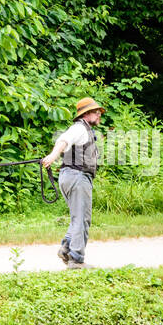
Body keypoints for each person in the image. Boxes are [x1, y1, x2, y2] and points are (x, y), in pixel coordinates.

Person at [42, 97, 105, 269]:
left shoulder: (85, 130)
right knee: (83, 218)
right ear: (86, 114)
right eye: (96, 112)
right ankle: (76, 259)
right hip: (77, 177)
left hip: (69, 176)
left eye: (99, 112)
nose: (99, 115)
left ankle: (66, 248)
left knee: (77, 217)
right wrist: (53, 155)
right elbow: (64, 139)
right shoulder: (79, 128)